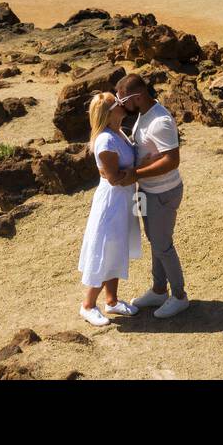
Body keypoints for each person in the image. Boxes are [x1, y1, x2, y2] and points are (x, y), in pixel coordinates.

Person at [114, 72, 190, 318]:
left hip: (163, 192)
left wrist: (136, 172)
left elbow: (172, 160)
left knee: (163, 245)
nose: (121, 105)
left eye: (123, 100)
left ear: (137, 97)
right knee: (155, 241)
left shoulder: (160, 122)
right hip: (148, 191)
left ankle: (179, 296)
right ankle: (159, 290)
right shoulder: (143, 115)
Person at [77, 91, 143, 326]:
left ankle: (112, 300)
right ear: (108, 113)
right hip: (112, 201)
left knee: (117, 248)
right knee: (104, 249)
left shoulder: (119, 132)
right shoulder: (105, 140)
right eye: (115, 103)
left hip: (125, 199)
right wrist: (139, 174)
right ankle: (88, 305)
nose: (120, 103)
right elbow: (114, 178)